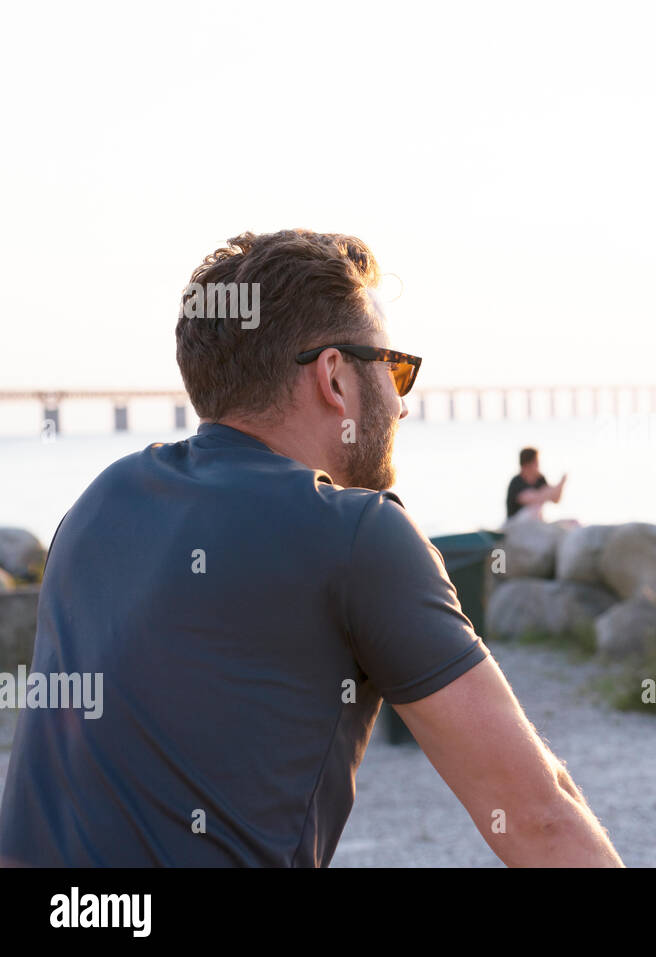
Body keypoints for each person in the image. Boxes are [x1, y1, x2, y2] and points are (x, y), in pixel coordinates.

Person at [0, 230, 622, 868]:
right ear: (335, 377)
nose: (402, 404)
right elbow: (539, 819)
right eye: (394, 367)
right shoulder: (357, 534)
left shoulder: (96, 506)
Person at [505, 447, 566, 522]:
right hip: (515, 524)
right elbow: (530, 499)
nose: (538, 466)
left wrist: (561, 484)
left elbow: (555, 499)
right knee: (533, 511)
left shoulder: (540, 479)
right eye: (536, 462)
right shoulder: (516, 482)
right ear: (528, 464)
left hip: (535, 523)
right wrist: (548, 491)